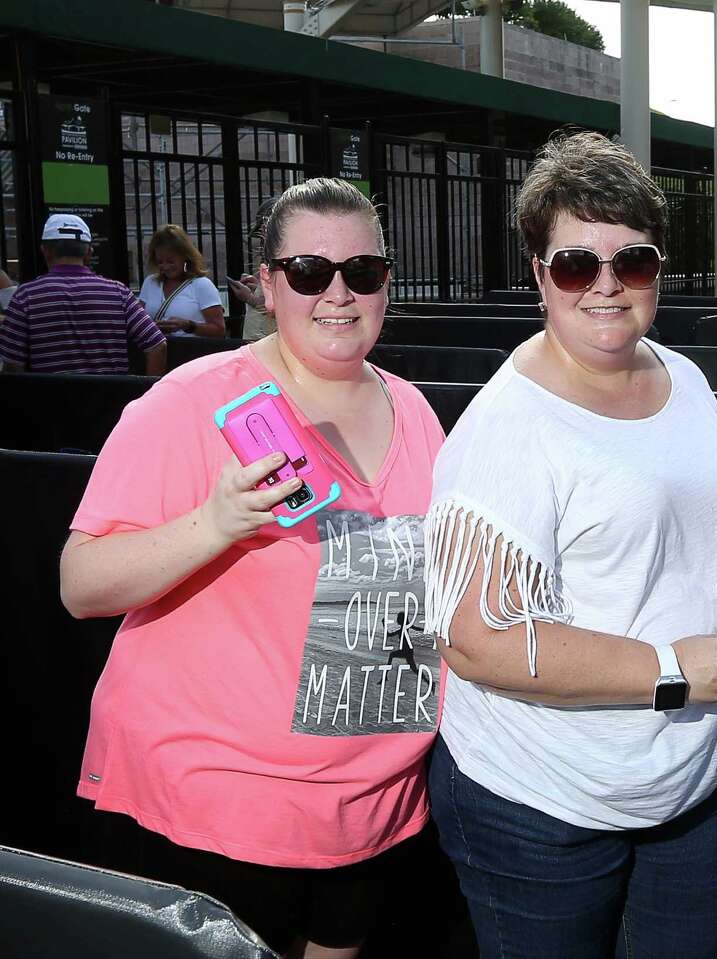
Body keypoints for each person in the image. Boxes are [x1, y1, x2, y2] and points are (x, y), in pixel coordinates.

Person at [422, 130, 717, 958]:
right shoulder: (509, 428)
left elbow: (683, 535)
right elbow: (477, 640)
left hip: (692, 787)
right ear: (539, 274)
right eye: (575, 264)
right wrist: (676, 669)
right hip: (544, 804)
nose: (605, 285)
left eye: (631, 261)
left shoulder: (682, 376)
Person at [60, 178, 445, 958]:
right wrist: (216, 522)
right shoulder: (191, 400)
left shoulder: (416, 409)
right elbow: (81, 583)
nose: (337, 293)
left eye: (362, 272)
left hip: (371, 802)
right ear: (266, 285)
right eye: (309, 271)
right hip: (220, 803)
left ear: (385, 286)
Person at [0, 214, 165, 375]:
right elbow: (157, 345)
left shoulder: (25, 296)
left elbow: (12, 363)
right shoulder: (119, 293)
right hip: (114, 401)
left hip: (49, 401)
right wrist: (147, 392)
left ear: (45, 251)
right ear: (89, 253)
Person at [138, 224, 226, 337]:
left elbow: (219, 330)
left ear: (185, 257)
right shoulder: (150, 282)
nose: (165, 267)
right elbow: (138, 321)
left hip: (192, 350)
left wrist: (189, 326)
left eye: (170, 261)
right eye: (160, 262)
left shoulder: (202, 285)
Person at [229, 197, 278, 341]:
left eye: (265, 231)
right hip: (259, 343)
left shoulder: (289, 259)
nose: (262, 241)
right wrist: (257, 286)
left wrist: (250, 298)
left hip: (271, 346)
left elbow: (287, 308)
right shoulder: (271, 259)